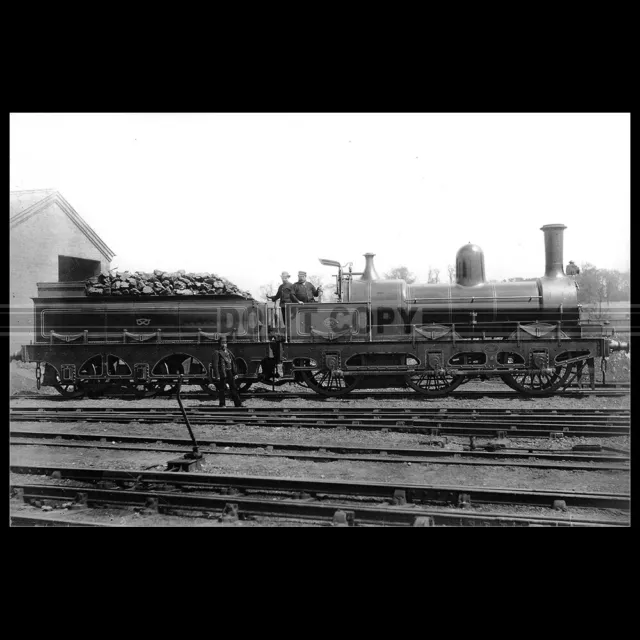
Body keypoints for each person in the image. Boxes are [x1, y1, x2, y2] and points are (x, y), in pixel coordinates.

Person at [210, 336, 243, 407]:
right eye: (222, 343)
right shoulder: (217, 352)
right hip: (222, 373)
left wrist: (235, 373)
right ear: (220, 343)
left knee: (234, 388)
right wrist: (217, 375)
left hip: (229, 372)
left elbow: (232, 363)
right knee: (221, 389)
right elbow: (215, 365)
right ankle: (222, 404)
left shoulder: (228, 352)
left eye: (225, 343)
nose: (224, 344)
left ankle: (238, 404)